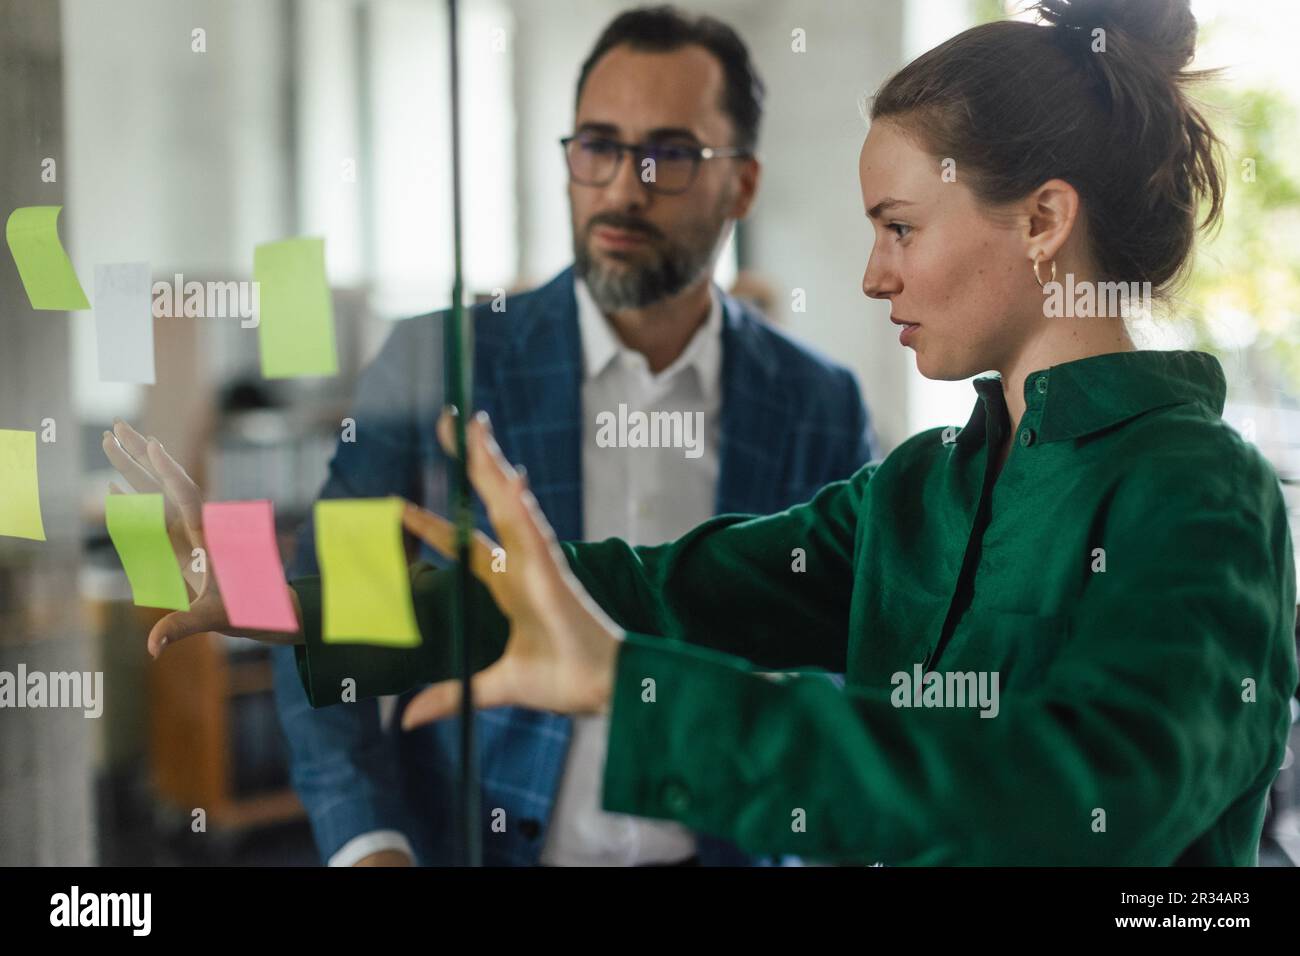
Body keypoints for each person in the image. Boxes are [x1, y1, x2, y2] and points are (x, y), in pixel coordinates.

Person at [117, 0, 1299, 864]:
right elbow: (629, 587)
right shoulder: (920, 491)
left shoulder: (1201, 495)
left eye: (898, 226)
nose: (872, 272)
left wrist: (630, 690)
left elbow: (1077, 795)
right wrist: (281, 588)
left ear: (1042, 220)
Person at [103, 6, 877, 868]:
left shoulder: (820, 403)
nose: (624, 185)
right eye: (597, 146)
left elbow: (845, 673)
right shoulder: (439, 363)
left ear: (741, 185)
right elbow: (337, 631)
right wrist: (371, 848)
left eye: (669, 152)